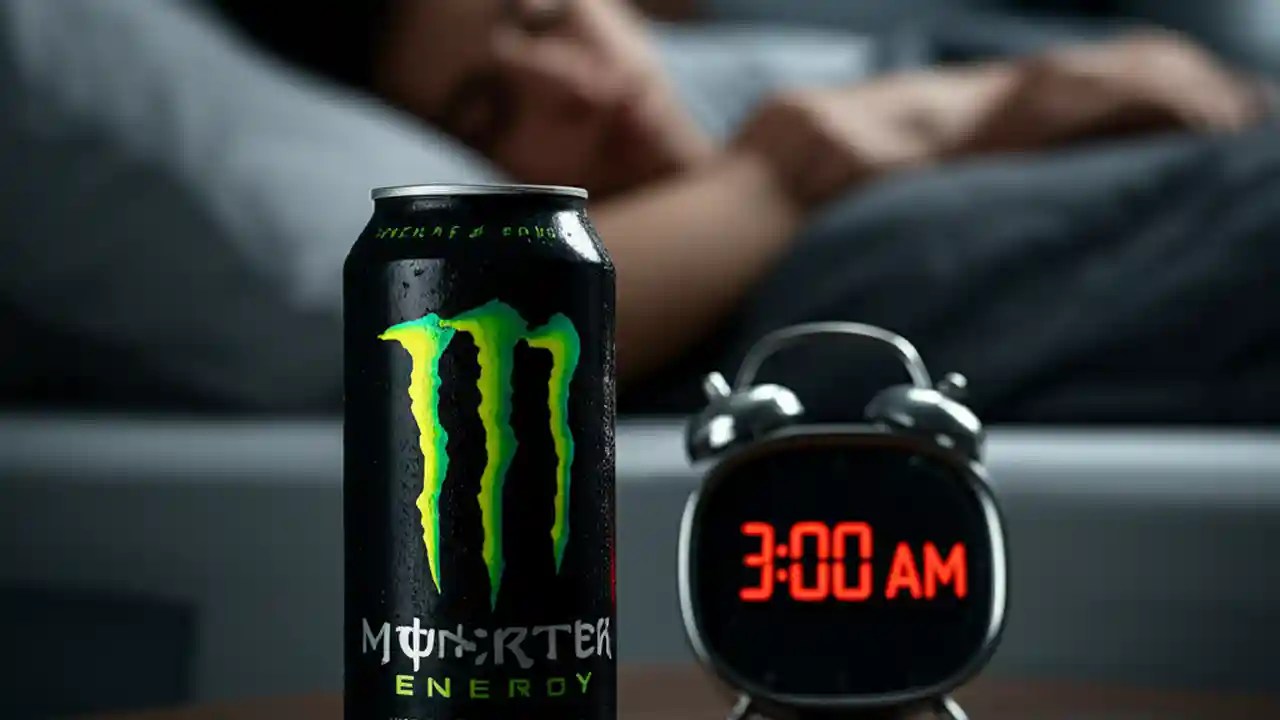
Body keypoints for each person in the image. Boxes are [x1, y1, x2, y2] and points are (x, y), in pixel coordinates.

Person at [215, 0, 1269, 388]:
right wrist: (797, 165)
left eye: (545, 17)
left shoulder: (833, 59)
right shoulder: (779, 216)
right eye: (489, 111)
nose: (575, 85)